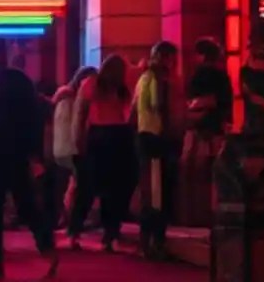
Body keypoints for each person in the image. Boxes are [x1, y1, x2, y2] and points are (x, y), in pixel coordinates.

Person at [0, 37, 57, 281]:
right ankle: (4, 260)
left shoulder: (2, 81)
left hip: (2, 153)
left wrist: (34, 154)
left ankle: (11, 258)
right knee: (7, 207)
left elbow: (28, 120)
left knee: (11, 207)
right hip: (0, 153)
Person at [68, 54, 133, 252]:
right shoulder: (120, 89)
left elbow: (80, 115)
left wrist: (78, 142)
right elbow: (126, 114)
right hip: (118, 135)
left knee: (87, 188)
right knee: (113, 190)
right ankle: (110, 234)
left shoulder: (91, 84)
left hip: (98, 135)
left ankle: (75, 232)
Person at [181, 38, 233, 226]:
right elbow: (226, 104)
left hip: (198, 132)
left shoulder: (198, 75)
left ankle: (194, 215)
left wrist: (196, 106)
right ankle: (212, 214)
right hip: (216, 130)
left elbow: (190, 101)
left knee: (194, 175)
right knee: (215, 176)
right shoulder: (222, 76)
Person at [136, 41, 180, 259]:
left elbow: (136, 107)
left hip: (144, 137)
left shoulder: (143, 78)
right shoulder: (157, 79)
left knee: (151, 191)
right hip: (156, 139)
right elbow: (159, 106)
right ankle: (154, 241)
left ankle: (148, 239)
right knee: (157, 193)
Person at [51, 67, 96, 229]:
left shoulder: (62, 95)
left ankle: (65, 215)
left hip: (59, 147)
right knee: (78, 182)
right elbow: (76, 125)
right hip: (71, 147)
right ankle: (71, 217)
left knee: (68, 183)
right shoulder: (75, 98)